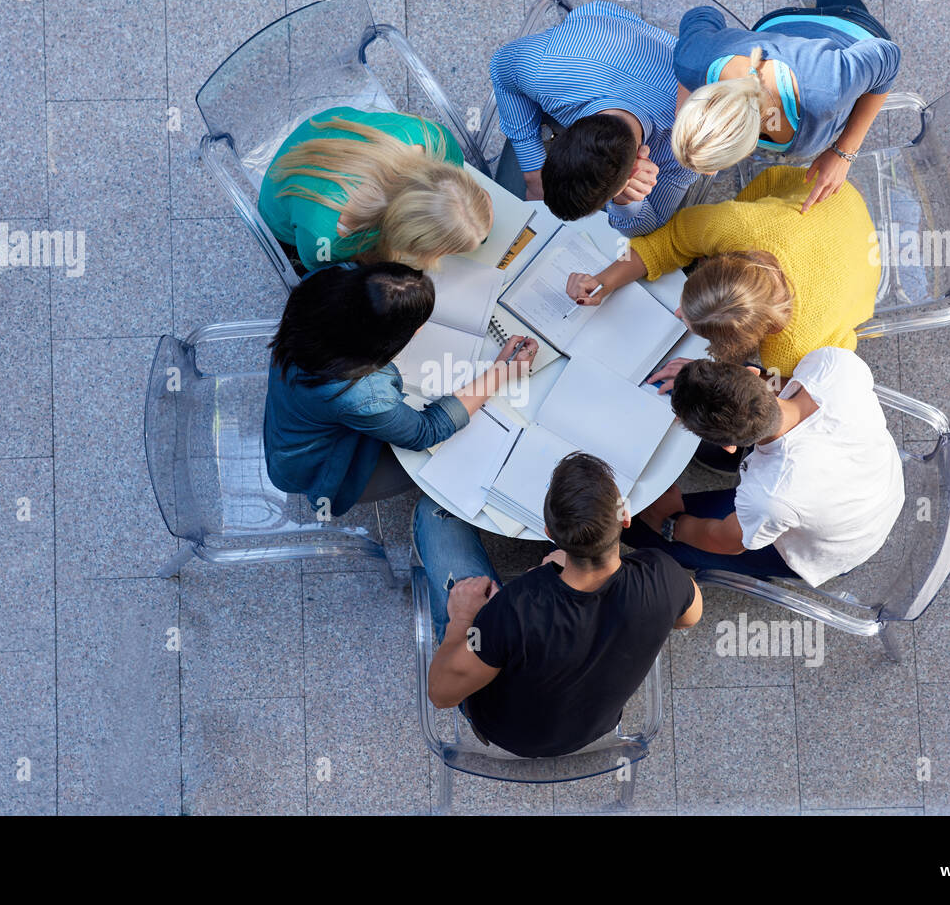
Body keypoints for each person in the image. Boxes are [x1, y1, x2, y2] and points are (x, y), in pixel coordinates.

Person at [418, 452, 702, 758]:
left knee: (434, 511)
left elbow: (441, 693)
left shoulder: (513, 609)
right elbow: (689, 617)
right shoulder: (663, 576)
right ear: (626, 517)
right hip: (595, 727)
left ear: (549, 533)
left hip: (504, 733)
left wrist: (462, 619)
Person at [263, 261, 537, 516]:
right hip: (317, 464)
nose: (419, 331)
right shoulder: (364, 396)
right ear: (380, 342)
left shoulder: (326, 281)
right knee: (441, 464)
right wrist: (502, 372)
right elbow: (425, 431)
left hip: (290, 417)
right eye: (415, 328)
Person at [565, 163, 880, 380]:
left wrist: (723, 378)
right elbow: (668, 241)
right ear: (712, 264)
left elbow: (801, 384)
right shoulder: (732, 225)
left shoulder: (791, 350)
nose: (677, 312)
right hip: (832, 194)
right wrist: (602, 283)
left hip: (859, 260)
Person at [626, 349, 904, 586]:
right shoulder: (835, 366)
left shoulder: (770, 497)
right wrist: (710, 386)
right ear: (752, 374)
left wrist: (670, 524)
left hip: (847, 542)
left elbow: (727, 541)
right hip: (880, 480)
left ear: (728, 446)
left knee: (635, 523)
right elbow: (782, 382)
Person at [671, 0, 900, 211]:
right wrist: (686, 88)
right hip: (779, 23)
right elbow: (701, 15)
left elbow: (889, 58)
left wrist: (843, 154)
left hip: (850, 28)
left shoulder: (826, 88)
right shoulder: (691, 61)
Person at [488, 0, 698, 236]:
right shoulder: (543, 69)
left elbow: (653, 225)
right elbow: (500, 66)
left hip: (668, 56)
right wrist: (534, 174)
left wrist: (625, 201)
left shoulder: (692, 142)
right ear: (567, 132)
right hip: (592, 37)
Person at [257, 106, 493, 272]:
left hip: (326, 131)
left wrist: (475, 225)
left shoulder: (434, 140)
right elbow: (324, 272)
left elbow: (459, 204)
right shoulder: (326, 237)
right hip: (282, 209)